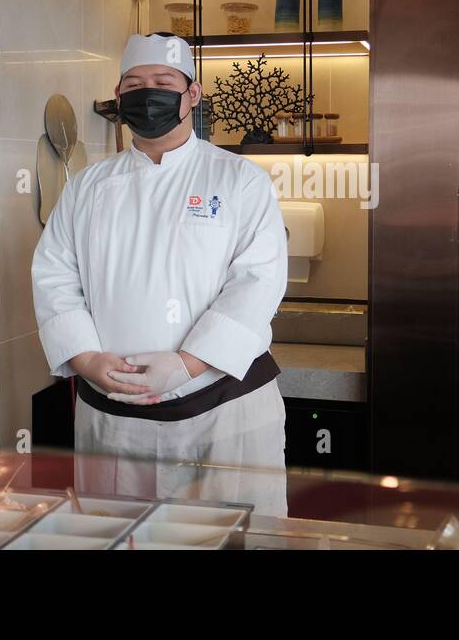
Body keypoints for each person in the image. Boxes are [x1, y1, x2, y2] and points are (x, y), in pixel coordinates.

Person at [31, 33, 289, 515]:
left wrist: (188, 362)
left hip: (224, 412)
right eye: (134, 83)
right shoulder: (88, 186)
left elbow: (258, 281)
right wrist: (86, 359)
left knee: (235, 541)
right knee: (118, 537)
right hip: (114, 416)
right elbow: (54, 276)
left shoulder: (238, 180)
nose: (147, 93)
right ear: (119, 96)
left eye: (163, 82)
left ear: (191, 94)